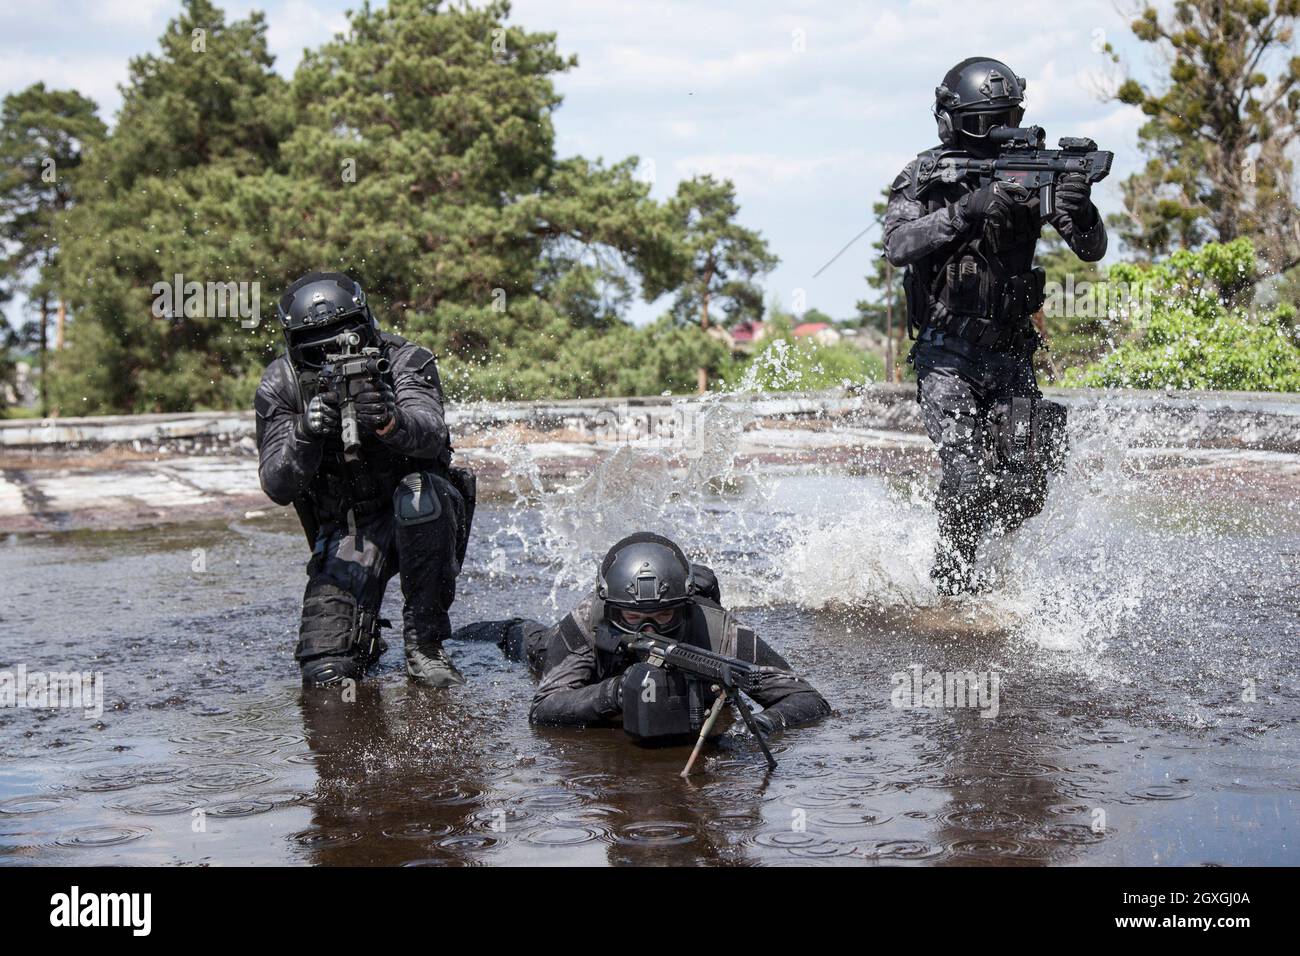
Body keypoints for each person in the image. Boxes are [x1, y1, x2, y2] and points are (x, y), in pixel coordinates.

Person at [883, 57, 1105, 594]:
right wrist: (966, 211)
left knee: (1026, 484)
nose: (992, 133)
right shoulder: (925, 175)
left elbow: (1090, 248)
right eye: (984, 122)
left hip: (1010, 353)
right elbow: (897, 245)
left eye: (1003, 117)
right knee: (965, 476)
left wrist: (1082, 207)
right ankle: (952, 588)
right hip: (947, 353)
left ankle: (981, 561)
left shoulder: (1033, 171)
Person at [255, 271, 474, 687]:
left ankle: (425, 645)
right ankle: (363, 638)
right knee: (325, 675)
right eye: (320, 350)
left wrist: (391, 422)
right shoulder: (281, 385)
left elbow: (431, 434)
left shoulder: (404, 359)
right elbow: (276, 484)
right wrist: (307, 430)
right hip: (349, 530)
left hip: (420, 514)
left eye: (346, 340)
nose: (336, 355)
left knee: (419, 495)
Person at [456, 533, 829, 744]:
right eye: (634, 618)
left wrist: (763, 724)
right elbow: (544, 708)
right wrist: (614, 693)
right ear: (612, 607)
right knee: (523, 639)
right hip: (567, 658)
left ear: (683, 607)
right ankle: (484, 631)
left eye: (663, 616)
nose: (647, 630)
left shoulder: (716, 629)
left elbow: (805, 697)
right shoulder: (588, 619)